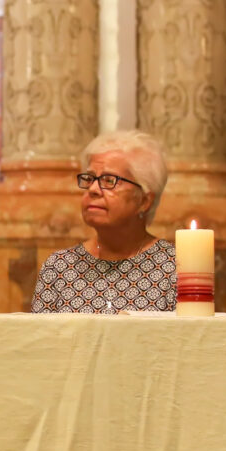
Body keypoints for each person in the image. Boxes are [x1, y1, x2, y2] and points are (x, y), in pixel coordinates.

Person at [29, 129, 176, 314]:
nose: (93, 189)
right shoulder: (59, 267)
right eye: (90, 179)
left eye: (109, 180)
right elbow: (40, 340)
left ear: (144, 201)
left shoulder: (175, 268)